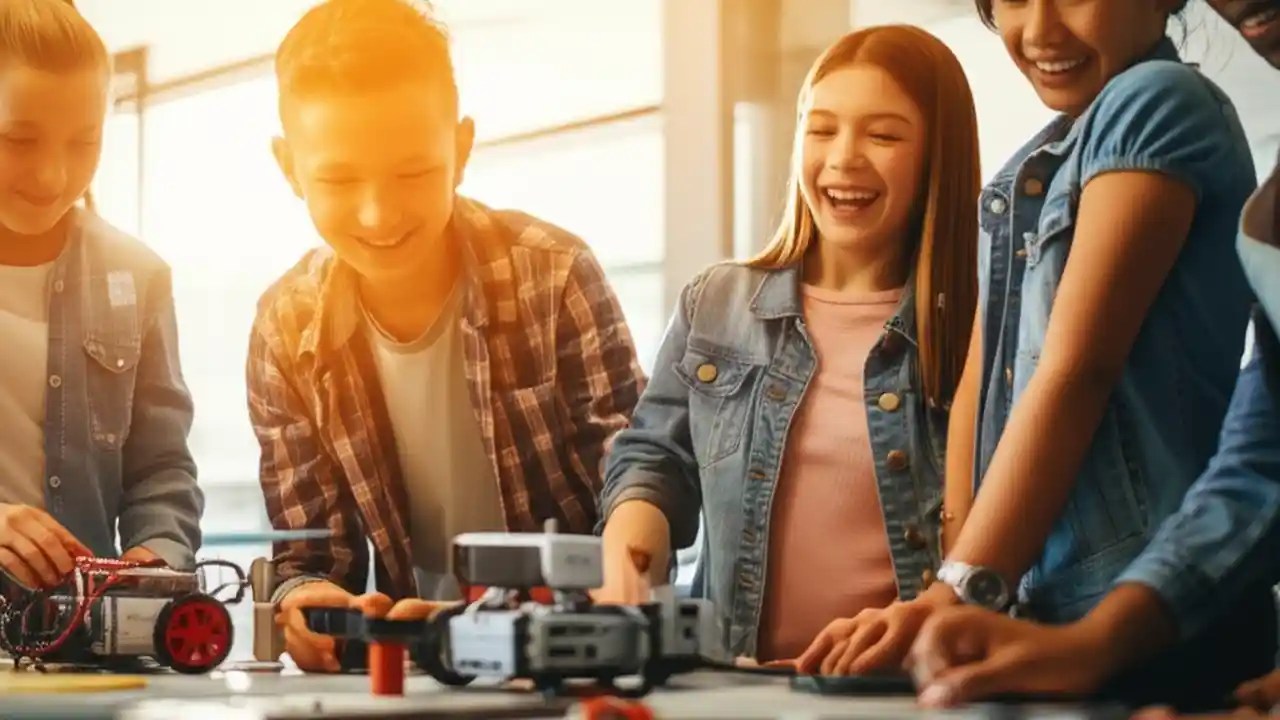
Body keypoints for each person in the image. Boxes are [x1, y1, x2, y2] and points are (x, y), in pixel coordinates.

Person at [795, 0, 1273, 706]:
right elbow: (979, 387)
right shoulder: (1028, 170)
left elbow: (1077, 369)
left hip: (1152, 615)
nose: (1040, 31)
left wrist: (965, 586)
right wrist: (952, 588)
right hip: (1043, 609)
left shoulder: (1158, 102)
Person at [248, 0, 644, 673]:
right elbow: (312, 557)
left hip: (572, 657)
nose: (379, 213)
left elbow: (635, 499)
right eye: (341, 179)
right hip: (419, 666)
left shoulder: (554, 276)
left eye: (413, 173)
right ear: (289, 168)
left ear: (460, 149)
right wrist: (309, 603)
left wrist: (510, 615)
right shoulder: (286, 328)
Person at [595, 24, 981, 662]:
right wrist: (628, 559)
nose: (843, 158)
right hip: (736, 685)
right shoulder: (716, 304)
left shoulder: (981, 326)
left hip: (904, 692)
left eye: (882, 134)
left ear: (938, 154)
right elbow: (654, 462)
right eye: (822, 128)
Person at [0, 0, 202, 593]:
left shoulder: (139, 276)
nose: (51, 177)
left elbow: (162, 470)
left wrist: (155, 557)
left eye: (83, 142)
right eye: (18, 139)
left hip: (85, 645)